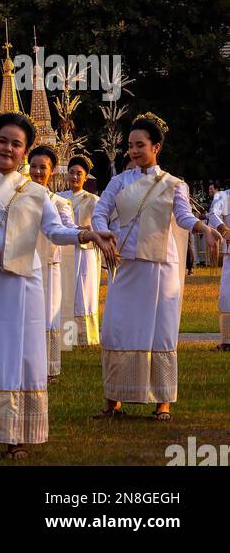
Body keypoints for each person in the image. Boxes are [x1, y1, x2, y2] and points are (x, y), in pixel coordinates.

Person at [0, 112, 114, 458]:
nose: (8, 148)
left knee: (17, 355)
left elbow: (54, 232)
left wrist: (87, 234)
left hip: (22, 284)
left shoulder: (36, 191)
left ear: (25, 151)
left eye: (16, 144)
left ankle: (15, 434)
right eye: (2, 140)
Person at [91, 113, 219, 420]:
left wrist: (205, 229)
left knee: (159, 331)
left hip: (160, 268)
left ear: (156, 147)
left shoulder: (174, 184)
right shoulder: (119, 182)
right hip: (126, 265)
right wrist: (103, 234)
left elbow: (184, 217)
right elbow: (100, 212)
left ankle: (162, 402)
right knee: (117, 330)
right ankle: (114, 400)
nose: (134, 151)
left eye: (140, 145)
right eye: (131, 146)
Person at [27, 144, 74, 380]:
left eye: (42, 167)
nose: (37, 172)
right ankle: (28, 365)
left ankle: (49, 367)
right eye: (33, 166)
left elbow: (67, 227)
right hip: (25, 264)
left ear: (52, 170)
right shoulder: (19, 198)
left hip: (49, 264)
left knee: (48, 314)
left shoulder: (58, 202)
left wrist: (84, 233)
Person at [59, 153, 102, 347]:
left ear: (85, 177)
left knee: (84, 293)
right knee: (66, 292)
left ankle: (85, 338)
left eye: (79, 173)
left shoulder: (93, 200)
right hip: (65, 250)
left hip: (85, 252)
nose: (75, 177)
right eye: (72, 173)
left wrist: (88, 231)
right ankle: (68, 337)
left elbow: (100, 225)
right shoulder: (59, 198)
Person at [208, 183, 230, 350]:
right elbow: (214, 215)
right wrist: (224, 230)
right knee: (227, 297)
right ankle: (227, 341)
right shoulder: (223, 196)